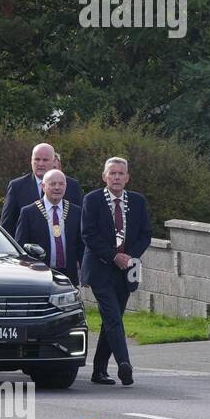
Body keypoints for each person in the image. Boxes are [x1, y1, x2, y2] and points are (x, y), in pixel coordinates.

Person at [80, 157, 152, 387]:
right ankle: (124, 364)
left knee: (113, 320)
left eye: (121, 173)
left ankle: (99, 370)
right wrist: (113, 256)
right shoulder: (92, 200)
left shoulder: (138, 202)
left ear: (127, 177)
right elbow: (88, 234)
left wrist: (130, 257)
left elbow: (145, 234)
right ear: (104, 177)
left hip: (126, 270)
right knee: (111, 315)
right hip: (101, 268)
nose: (117, 177)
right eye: (113, 173)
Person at [14, 169, 83, 285]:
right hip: (39, 274)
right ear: (43, 186)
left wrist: (85, 272)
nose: (57, 187)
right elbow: (21, 245)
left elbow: (81, 244)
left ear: (65, 186)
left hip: (69, 275)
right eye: (52, 184)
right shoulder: (29, 212)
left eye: (61, 184)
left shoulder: (75, 211)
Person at [0, 143, 84, 236]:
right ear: (31, 161)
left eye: (45, 160)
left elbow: (81, 222)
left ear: (53, 161)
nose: (41, 164)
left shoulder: (72, 186)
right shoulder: (17, 186)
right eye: (37, 159)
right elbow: (6, 225)